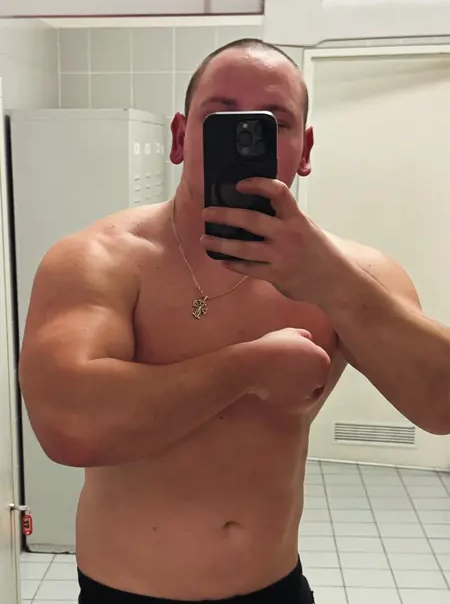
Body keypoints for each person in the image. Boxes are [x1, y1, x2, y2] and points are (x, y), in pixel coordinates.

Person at [19, 38, 450, 604]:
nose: (247, 137)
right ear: (180, 138)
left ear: (304, 149)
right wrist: (246, 368)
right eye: (220, 119)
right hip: (124, 592)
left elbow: (442, 404)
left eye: (274, 123)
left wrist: (332, 283)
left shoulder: (352, 274)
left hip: (272, 588)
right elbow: (68, 425)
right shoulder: (100, 258)